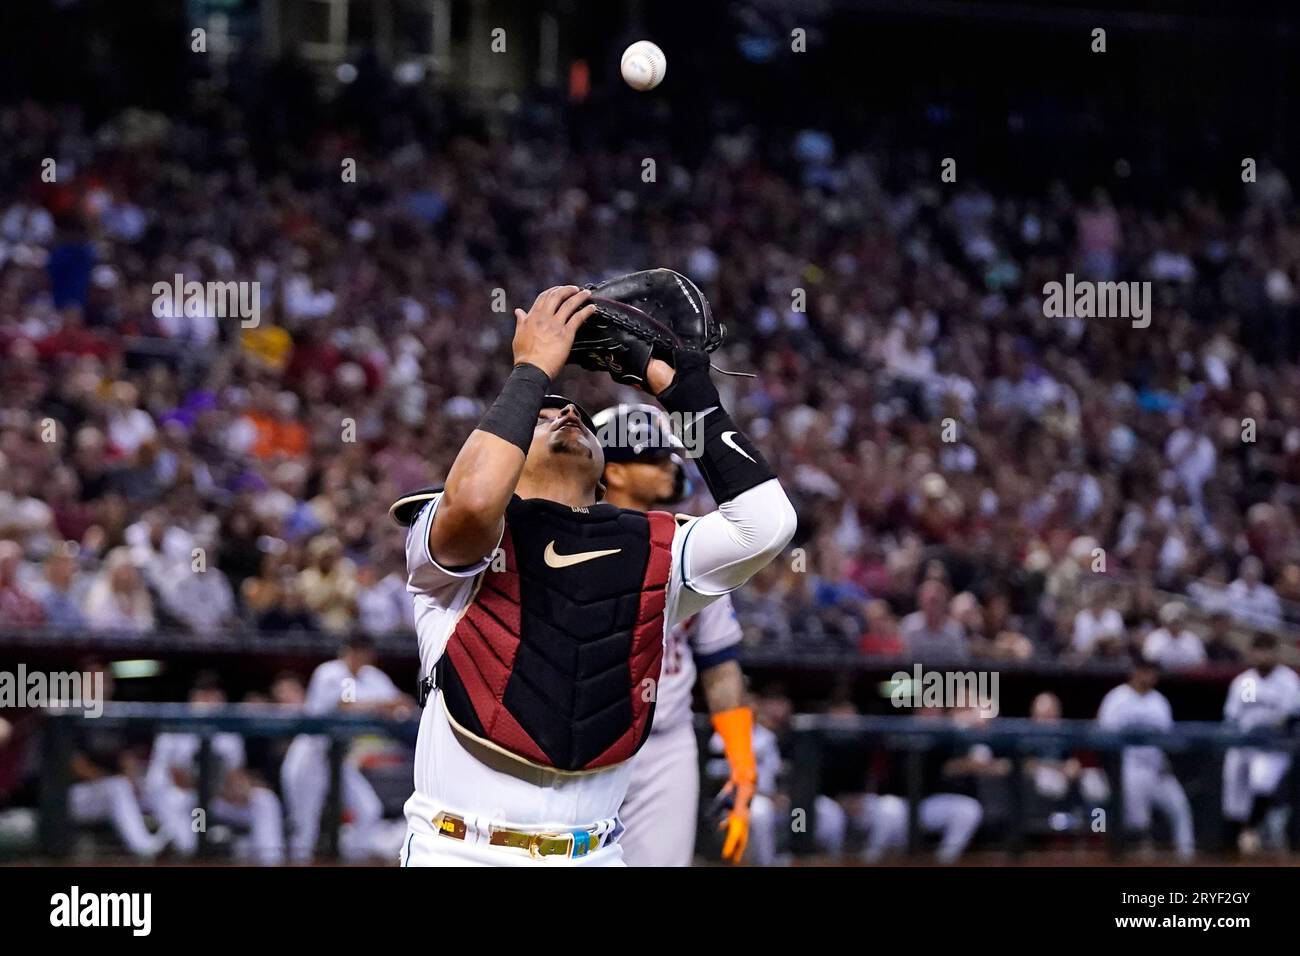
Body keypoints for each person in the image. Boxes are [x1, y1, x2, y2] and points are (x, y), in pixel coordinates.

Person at [392, 286, 796, 866]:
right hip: (459, 851)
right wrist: (532, 369)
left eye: (574, 409)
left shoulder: (655, 548)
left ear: (606, 479)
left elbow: (768, 523)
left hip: (597, 853)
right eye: (542, 412)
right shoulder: (456, 546)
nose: (567, 412)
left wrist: (686, 392)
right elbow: (477, 499)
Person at [593, 402, 755, 866]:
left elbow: (719, 665)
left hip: (666, 740)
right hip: (585, 735)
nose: (671, 465)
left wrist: (742, 764)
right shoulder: (568, 539)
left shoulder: (693, 545)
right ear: (615, 471)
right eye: (655, 457)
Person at [281, 634, 414, 862]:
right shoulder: (330, 672)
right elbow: (345, 704)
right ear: (347, 651)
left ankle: (352, 859)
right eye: (356, 650)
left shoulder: (372, 676)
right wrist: (383, 705)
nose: (360, 656)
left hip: (340, 759)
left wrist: (391, 704)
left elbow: (402, 702)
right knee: (304, 825)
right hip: (312, 755)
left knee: (368, 810)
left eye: (364, 651)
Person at [144, 673, 284, 864]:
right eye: (204, 696)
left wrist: (240, 790)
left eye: (214, 696)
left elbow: (235, 774)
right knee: (187, 819)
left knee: (264, 800)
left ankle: (271, 860)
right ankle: (171, 848)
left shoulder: (227, 730)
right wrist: (220, 788)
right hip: (179, 797)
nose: (210, 702)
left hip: (212, 798)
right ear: (193, 698)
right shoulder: (176, 726)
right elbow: (180, 779)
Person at [1096, 656, 1195, 859]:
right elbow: (1103, 737)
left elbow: (1168, 738)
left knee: (1180, 808)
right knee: (1138, 823)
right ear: (1134, 672)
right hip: (1130, 768)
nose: (1149, 676)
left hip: (1158, 770)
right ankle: (1139, 855)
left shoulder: (1160, 701)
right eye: (1145, 671)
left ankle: (1186, 857)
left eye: (1152, 672)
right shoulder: (1116, 698)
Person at [1221, 634, 1300, 854]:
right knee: (1234, 791)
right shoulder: (1246, 681)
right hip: (1246, 744)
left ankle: (1250, 829)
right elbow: (1235, 716)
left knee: (1263, 781)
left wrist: (1272, 725)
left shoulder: (1288, 680)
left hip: (1274, 746)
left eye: (1267, 649)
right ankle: (1234, 842)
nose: (1263, 654)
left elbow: (1291, 716)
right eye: (1258, 649)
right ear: (1251, 652)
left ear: (1276, 653)